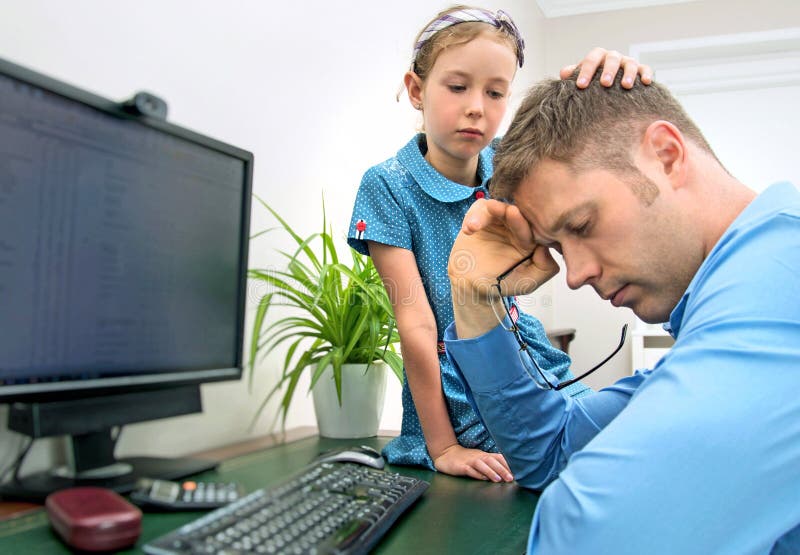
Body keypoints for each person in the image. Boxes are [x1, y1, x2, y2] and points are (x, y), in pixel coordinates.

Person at [444, 67, 800, 553]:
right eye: (557, 246)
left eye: (582, 225)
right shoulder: (726, 309)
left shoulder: (780, 283)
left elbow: (588, 533)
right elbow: (551, 452)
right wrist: (475, 299)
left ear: (666, 155)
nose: (575, 275)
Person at [347, 4, 653, 481]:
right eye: (457, 87)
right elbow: (417, 324)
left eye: (495, 93)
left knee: (631, 441)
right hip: (458, 394)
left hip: (530, 361)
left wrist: (615, 90)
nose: (477, 107)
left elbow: (583, 156)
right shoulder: (388, 184)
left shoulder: (508, 162)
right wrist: (444, 447)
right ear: (416, 90)